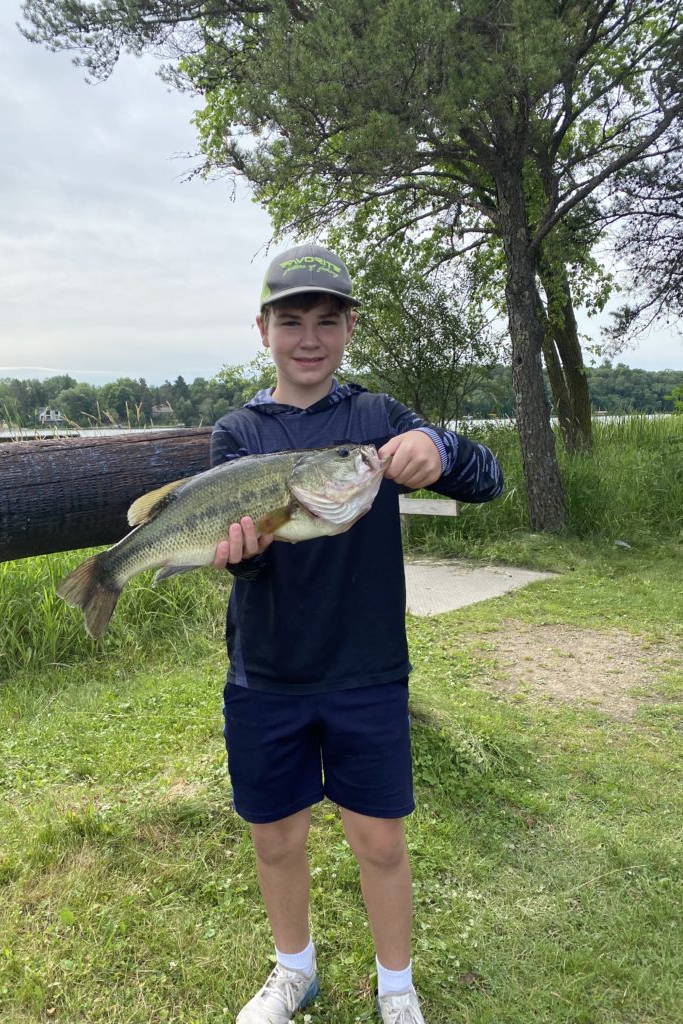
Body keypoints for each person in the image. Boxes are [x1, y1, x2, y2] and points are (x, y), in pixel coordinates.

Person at [209, 243, 503, 1024]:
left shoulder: (375, 421)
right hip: (265, 673)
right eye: (292, 320)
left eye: (327, 321)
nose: (309, 338)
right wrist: (241, 558)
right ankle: (293, 970)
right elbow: (249, 568)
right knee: (276, 837)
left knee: (379, 841)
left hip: (368, 672)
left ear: (347, 330)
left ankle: (396, 986)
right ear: (263, 329)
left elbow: (487, 479)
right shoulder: (237, 435)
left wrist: (438, 447)